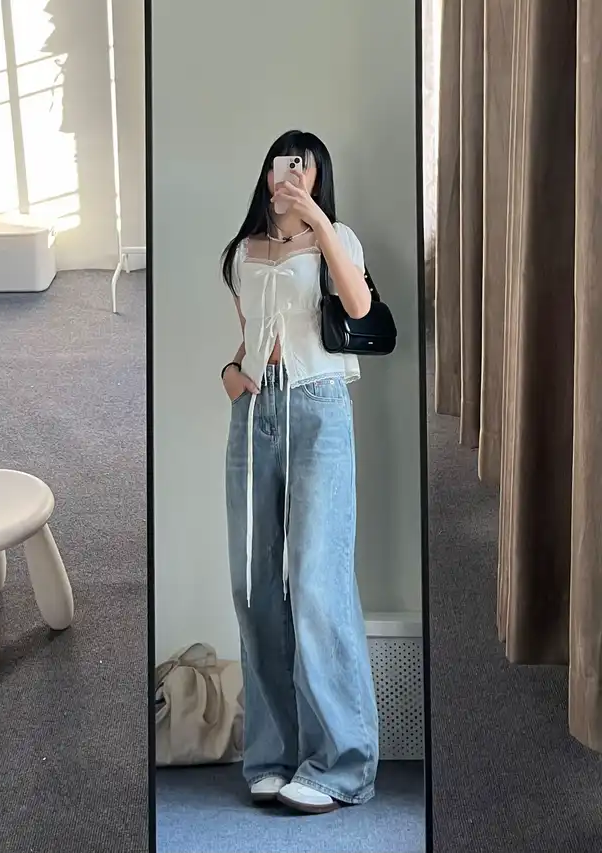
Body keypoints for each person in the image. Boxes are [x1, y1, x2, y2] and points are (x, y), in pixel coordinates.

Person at [221, 130, 379, 815]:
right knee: (253, 584)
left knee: (317, 582)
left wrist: (316, 219)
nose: (286, 173)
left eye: (300, 164)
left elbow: (358, 307)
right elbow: (249, 331)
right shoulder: (243, 251)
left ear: (316, 178)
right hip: (255, 411)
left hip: (319, 408)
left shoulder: (337, 238)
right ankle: (272, 756)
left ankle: (343, 765)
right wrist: (232, 375)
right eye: (278, 162)